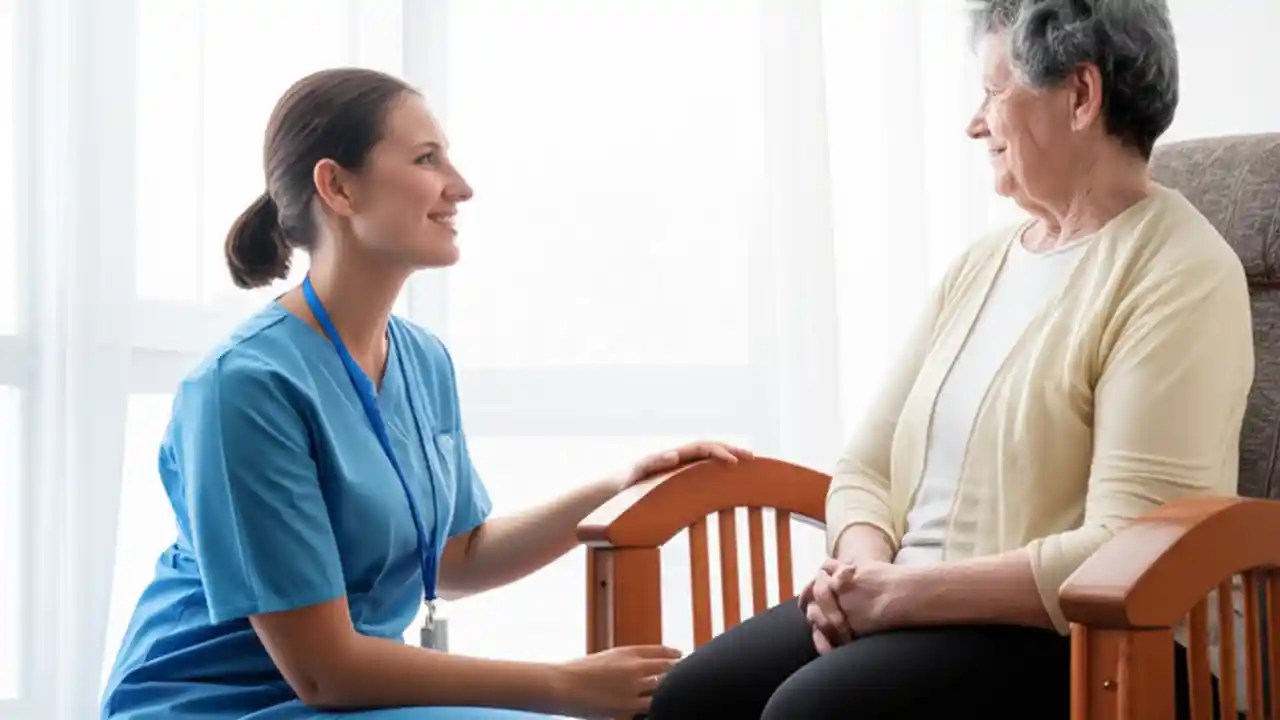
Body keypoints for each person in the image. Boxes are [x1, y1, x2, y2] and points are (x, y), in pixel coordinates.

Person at [647, 1, 1254, 718]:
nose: (975, 123)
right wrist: (865, 574)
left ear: (1081, 95)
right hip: (911, 605)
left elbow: (1124, 549)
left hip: (1092, 643)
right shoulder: (982, 265)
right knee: (691, 701)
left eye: (995, 92)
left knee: (809, 713)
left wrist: (900, 598)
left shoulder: (1180, 272)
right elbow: (867, 469)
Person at [99, 67, 752, 720]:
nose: (460, 187)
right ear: (338, 186)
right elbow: (324, 672)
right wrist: (564, 685)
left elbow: (457, 556)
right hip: (215, 704)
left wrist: (619, 484)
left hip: (348, 699)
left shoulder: (422, 360)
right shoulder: (242, 389)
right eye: (426, 158)